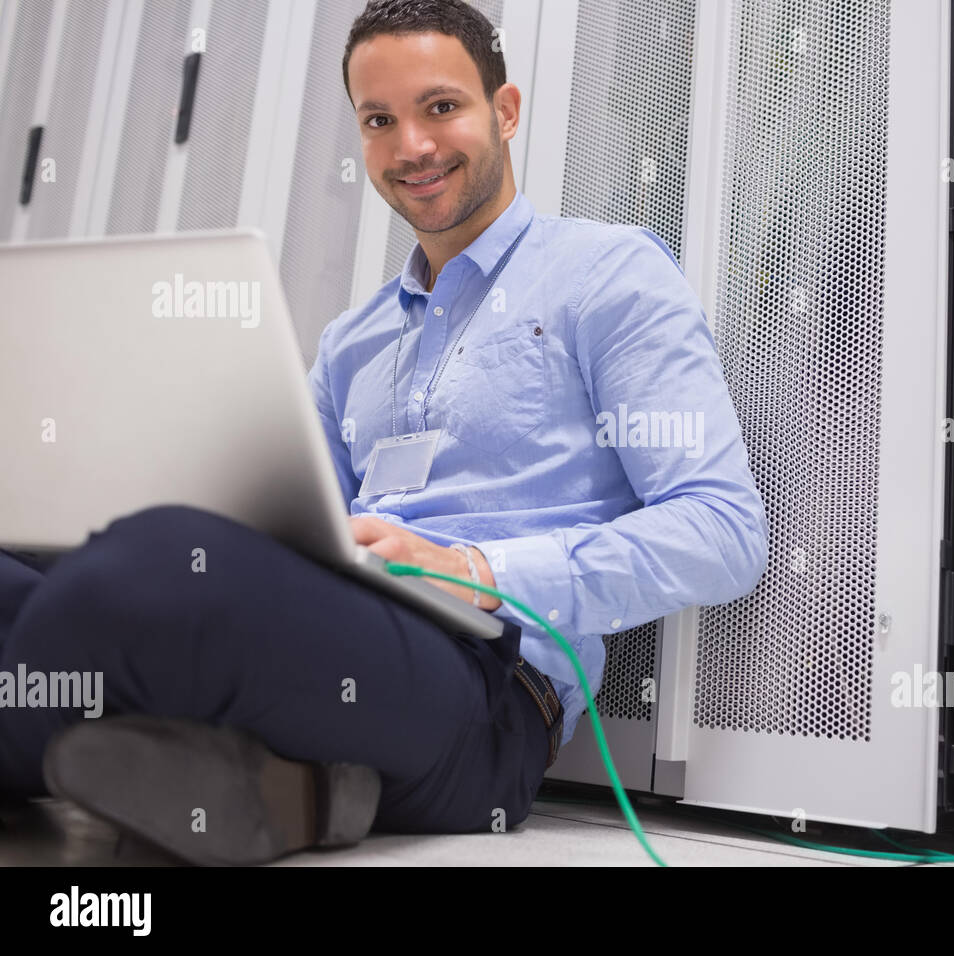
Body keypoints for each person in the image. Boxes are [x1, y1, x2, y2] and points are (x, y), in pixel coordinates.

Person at [0, 0, 768, 865]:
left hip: (487, 691)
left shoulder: (608, 274)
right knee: (51, 567)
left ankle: (115, 730)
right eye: (379, 121)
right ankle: (204, 757)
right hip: (340, 636)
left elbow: (723, 531)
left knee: (143, 570)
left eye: (440, 107)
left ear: (505, 111)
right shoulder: (352, 342)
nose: (412, 146)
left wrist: (475, 572)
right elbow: (285, 536)